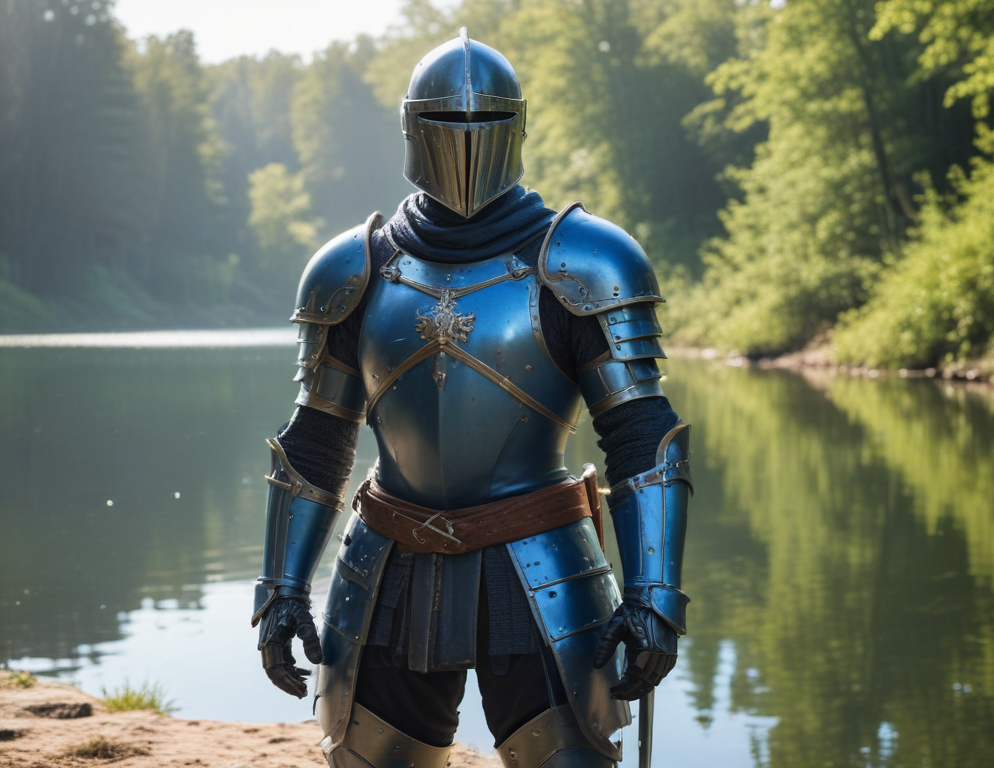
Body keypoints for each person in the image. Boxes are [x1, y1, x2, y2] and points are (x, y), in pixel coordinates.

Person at [252, 29, 692, 768]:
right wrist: (280, 591)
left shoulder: (584, 263)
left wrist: (656, 597)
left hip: (542, 561)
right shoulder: (353, 268)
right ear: (413, 130)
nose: (463, 142)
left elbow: (642, 435)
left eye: (480, 122)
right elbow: (316, 442)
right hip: (387, 563)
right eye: (445, 124)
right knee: (370, 761)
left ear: (513, 128)